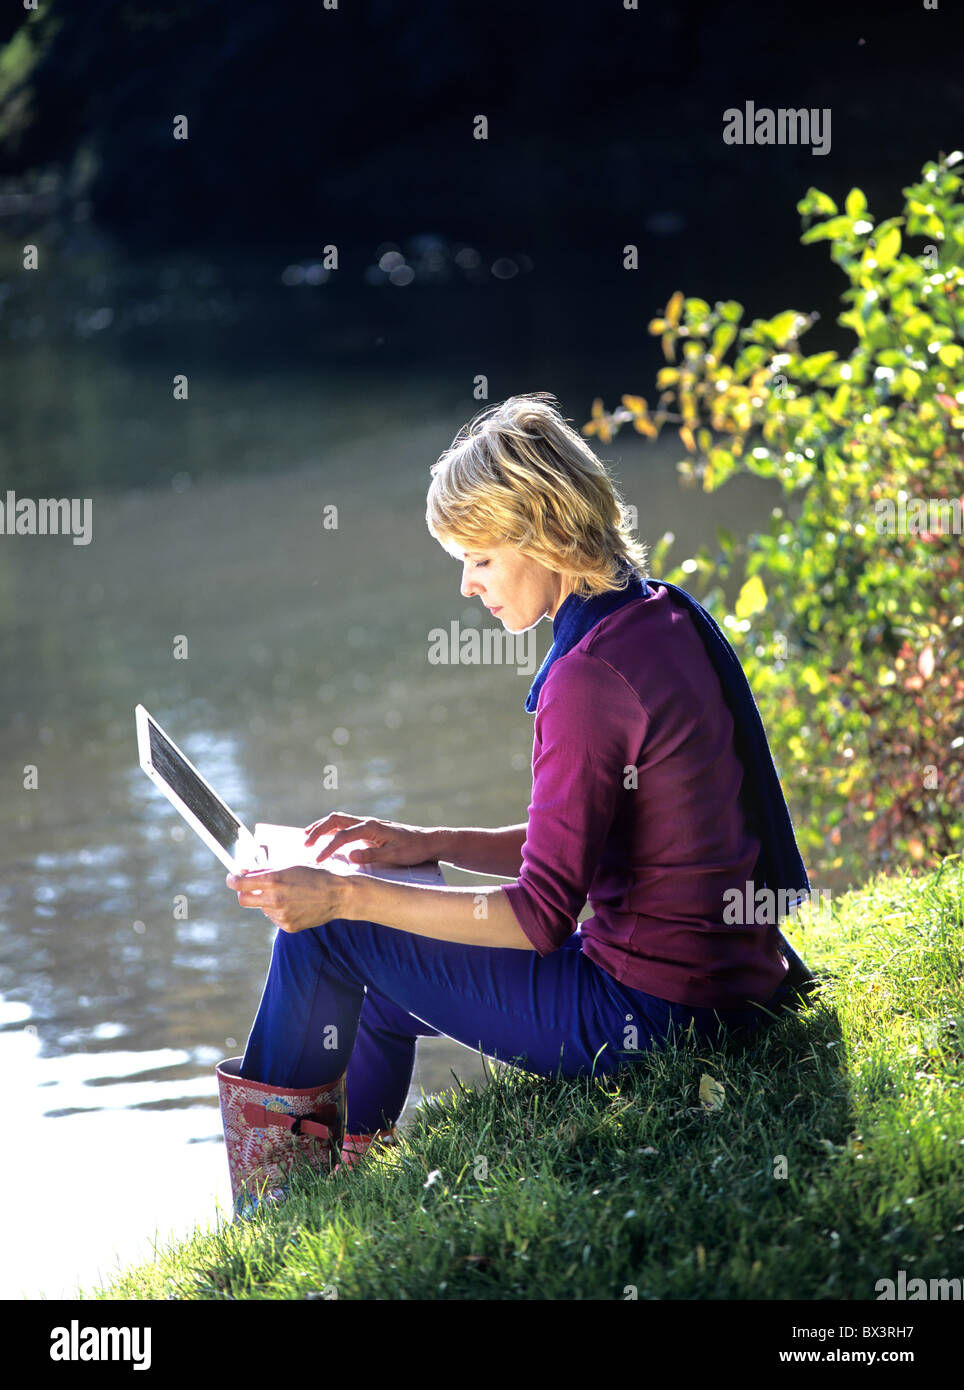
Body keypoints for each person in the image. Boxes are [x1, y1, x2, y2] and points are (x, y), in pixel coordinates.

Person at [215, 391, 815, 1218]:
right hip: (723, 983)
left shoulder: (586, 679)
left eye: (481, 558)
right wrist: (425, 842)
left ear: (545, 533)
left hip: (652, 1015)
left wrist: (343, 894)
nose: (467, 586)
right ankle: (354, 1175)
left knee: (329, 938)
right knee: (386, 964)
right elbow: (602, 839)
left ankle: (270, 1205)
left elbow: (539, 915)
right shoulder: (659, 614)